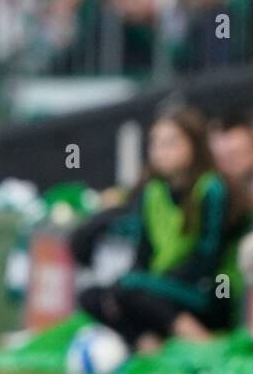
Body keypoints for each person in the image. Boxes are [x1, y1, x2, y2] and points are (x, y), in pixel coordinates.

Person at [77, 107, 242, 353]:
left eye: (171, 143)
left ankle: (205, 346)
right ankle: (151, 349)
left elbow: (207, 259)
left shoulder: (211, 188)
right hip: (156, 290)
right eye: (155, 143)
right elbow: (142, 253)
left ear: (194, 146)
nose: (160, 151)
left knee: (130, 290)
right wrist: (131, 285)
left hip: (207, 290)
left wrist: (147, 284)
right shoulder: (152, 192)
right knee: (93, 296)